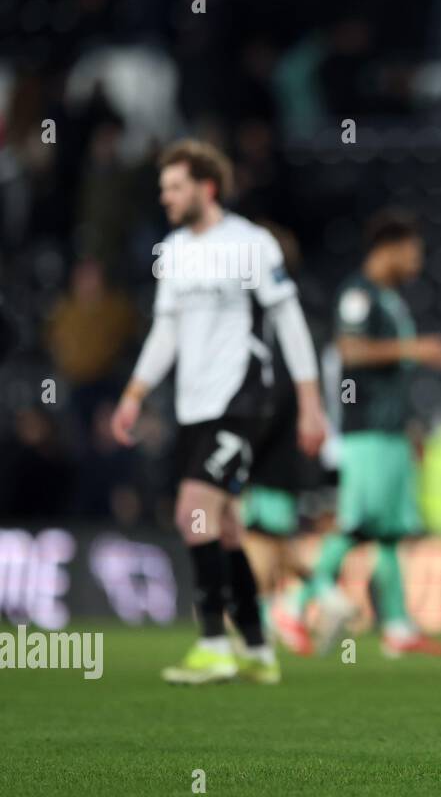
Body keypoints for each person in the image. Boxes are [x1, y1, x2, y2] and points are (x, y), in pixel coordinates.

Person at [110, 138, 327, 685]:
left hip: (243, 401)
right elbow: (167, 329)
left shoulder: (251, 243)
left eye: (175, 186)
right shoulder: (174, 250)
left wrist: (310, 404)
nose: (166, 196)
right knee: (226, 527)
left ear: (206, 187)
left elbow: (290, 322)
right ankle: (256, 648)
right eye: (163, 188)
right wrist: (134, 394)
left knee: (192, 513)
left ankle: (213, 642)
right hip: (193, 407)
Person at [275, 209, 441, 658]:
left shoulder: (390, 298)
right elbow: (350, 350)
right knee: (357, 525)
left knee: (391, 531)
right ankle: (295, 603)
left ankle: (397, 626)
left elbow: (393, 376)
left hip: (391, 431)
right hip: (365, 434)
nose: (417, 263)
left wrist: (409, 428)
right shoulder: (357, 294)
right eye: (412, 253)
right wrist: (416, 347)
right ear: (390, 248)